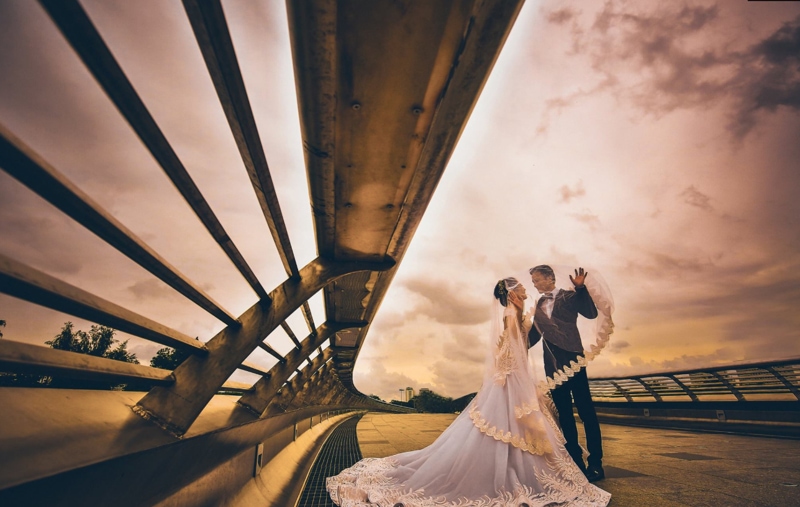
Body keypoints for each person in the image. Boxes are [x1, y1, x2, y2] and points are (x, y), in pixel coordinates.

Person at [326, 277, 610, 506]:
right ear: (512, 294)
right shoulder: (512, 316)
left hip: (513, 380)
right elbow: (512, 355)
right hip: (511, 380)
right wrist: (520, 382)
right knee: (513, 429)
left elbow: (522, 345)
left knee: (513, 431)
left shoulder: (518, 314)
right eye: (521, 287)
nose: (525, 288)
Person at [528, 265, 605, 482]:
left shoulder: (570, 296)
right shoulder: (539, 304)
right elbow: (534, 336)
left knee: (586, 412)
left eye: (536, 280)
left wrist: (581, 289)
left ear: (550, 277)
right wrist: (513, 346)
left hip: (574, 361)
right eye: (533, 281)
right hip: (552, 367)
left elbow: (591, 314)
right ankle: (576, 461)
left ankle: (596, 464)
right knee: (564, 415)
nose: (534, 284)